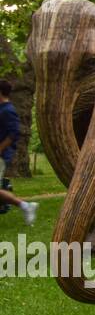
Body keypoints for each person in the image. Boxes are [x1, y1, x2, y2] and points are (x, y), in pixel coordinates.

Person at [0, 79, 39, 224]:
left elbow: (14, 133)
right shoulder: (2, 109)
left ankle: (25, 206)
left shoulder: (8, 110)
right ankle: (25, 206)